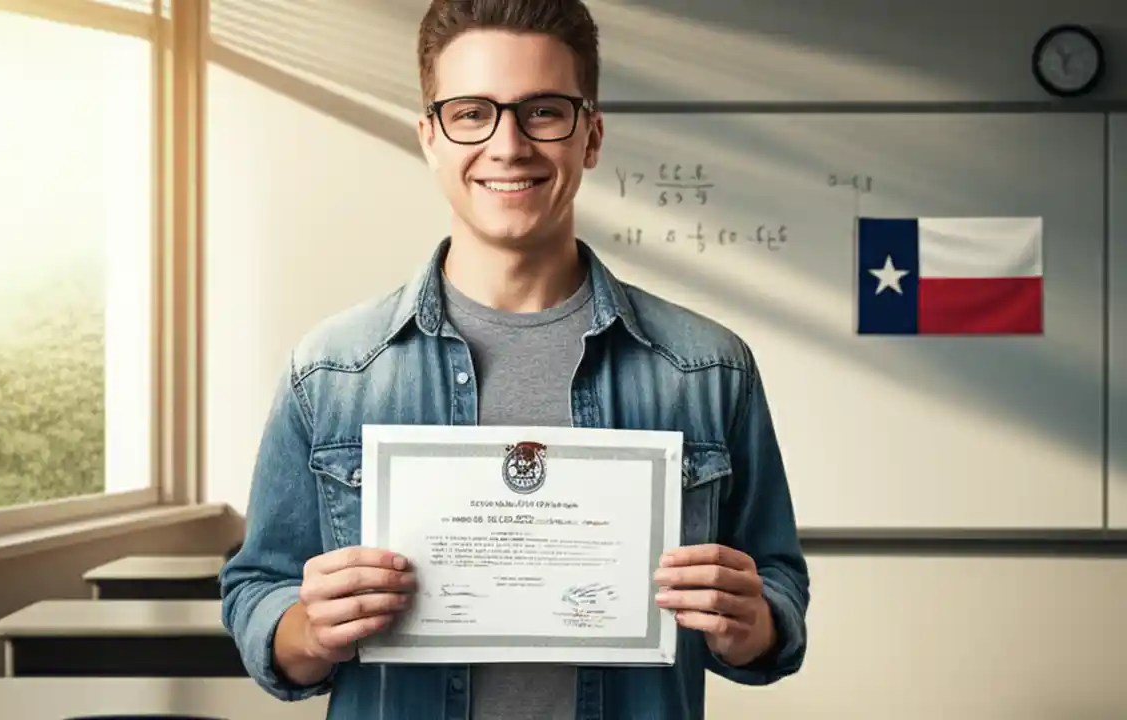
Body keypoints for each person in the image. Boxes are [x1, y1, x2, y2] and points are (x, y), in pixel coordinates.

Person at [219, 1, 810, 717]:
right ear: (430, 137)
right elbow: (257, 590)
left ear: (589, 137)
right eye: (472, 113)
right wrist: (307, 629)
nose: (509, 145)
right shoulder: (334, 370)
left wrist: (755, 625)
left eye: (543, 111)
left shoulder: (708, 369)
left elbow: (777, 583)